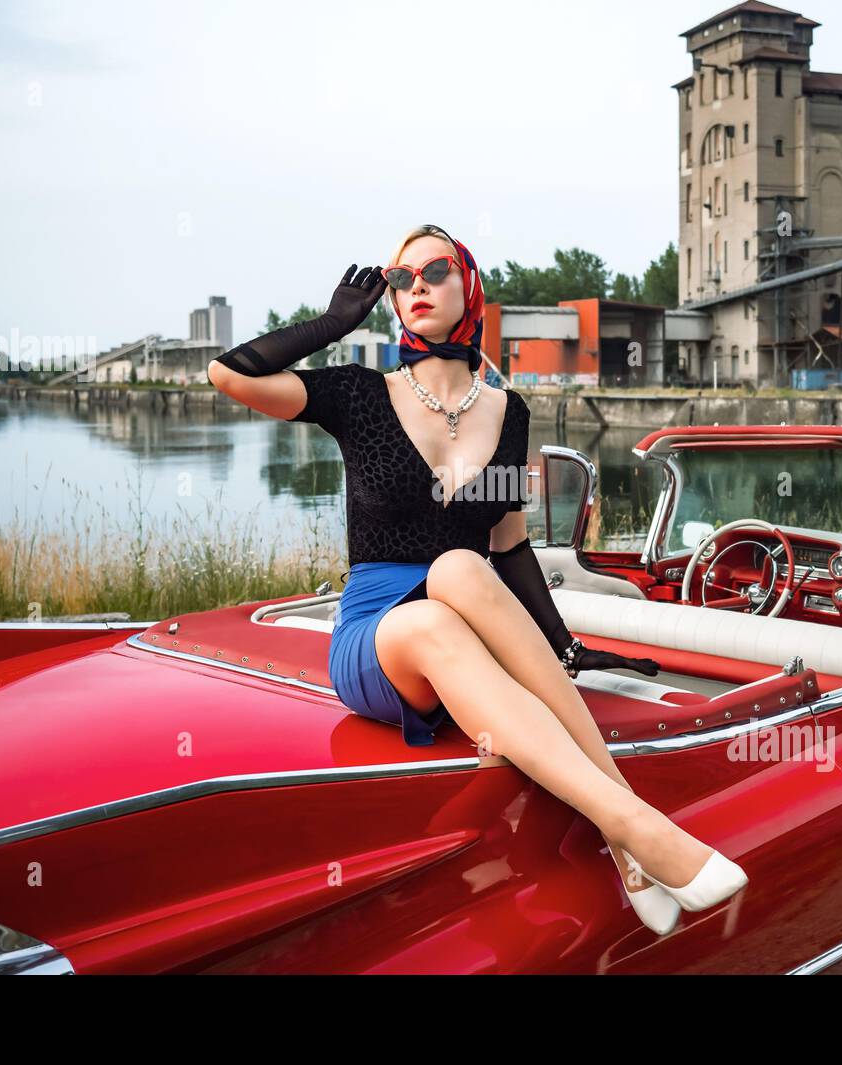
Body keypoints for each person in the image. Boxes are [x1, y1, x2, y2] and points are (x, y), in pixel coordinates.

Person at [207, 223, 747, 935]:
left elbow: (510, 547)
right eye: (400, 280)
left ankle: (629, 847)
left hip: (467, 604)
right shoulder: (359, 396)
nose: (415, 288)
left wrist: (565, 645)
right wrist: (335, 323)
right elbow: (229, 373)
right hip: (382, 634)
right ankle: (636, 825)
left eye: (433, 271)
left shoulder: (507, 410)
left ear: (469, 285)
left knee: (462, 563)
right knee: (441, 594)